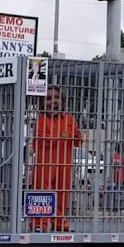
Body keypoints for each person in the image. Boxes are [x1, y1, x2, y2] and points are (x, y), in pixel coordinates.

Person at [31, 86, 83, 232]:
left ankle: (60, 223)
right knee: (42, 193)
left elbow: (76, 141)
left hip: (64, 163)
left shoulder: (69, 118)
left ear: (62, 101)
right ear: (42, 102)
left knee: (62, 192)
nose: (52, 101)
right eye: (48, 98)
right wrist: (60, 137)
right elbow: (41, 138)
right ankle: (39, 224)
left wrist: (78, 136)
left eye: (56, 98)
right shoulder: (40, 118)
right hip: (45, 163)